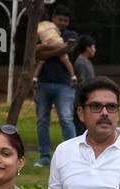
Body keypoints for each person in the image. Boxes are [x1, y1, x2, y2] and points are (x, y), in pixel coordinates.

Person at [32, 4, 77, 167]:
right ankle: (44, 156)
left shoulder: (71, 35)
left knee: (66, 118)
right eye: (60, 19)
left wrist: (45, 49)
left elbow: (67, 49)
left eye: (66, 20)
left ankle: (73, 156)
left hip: (64, 84)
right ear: (53, 19)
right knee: (42, 120)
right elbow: (35, 52)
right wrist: (59, 48)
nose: (63, 23)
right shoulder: (42, 30)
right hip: (43, 83)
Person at [71, 35, 96, 135]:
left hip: (87, 98)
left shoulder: (86, 62)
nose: (95, 50)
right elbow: (82, 82)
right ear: (87, 48)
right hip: (81, 99)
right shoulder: (80, 62)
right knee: (80, 129)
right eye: (94, 47)